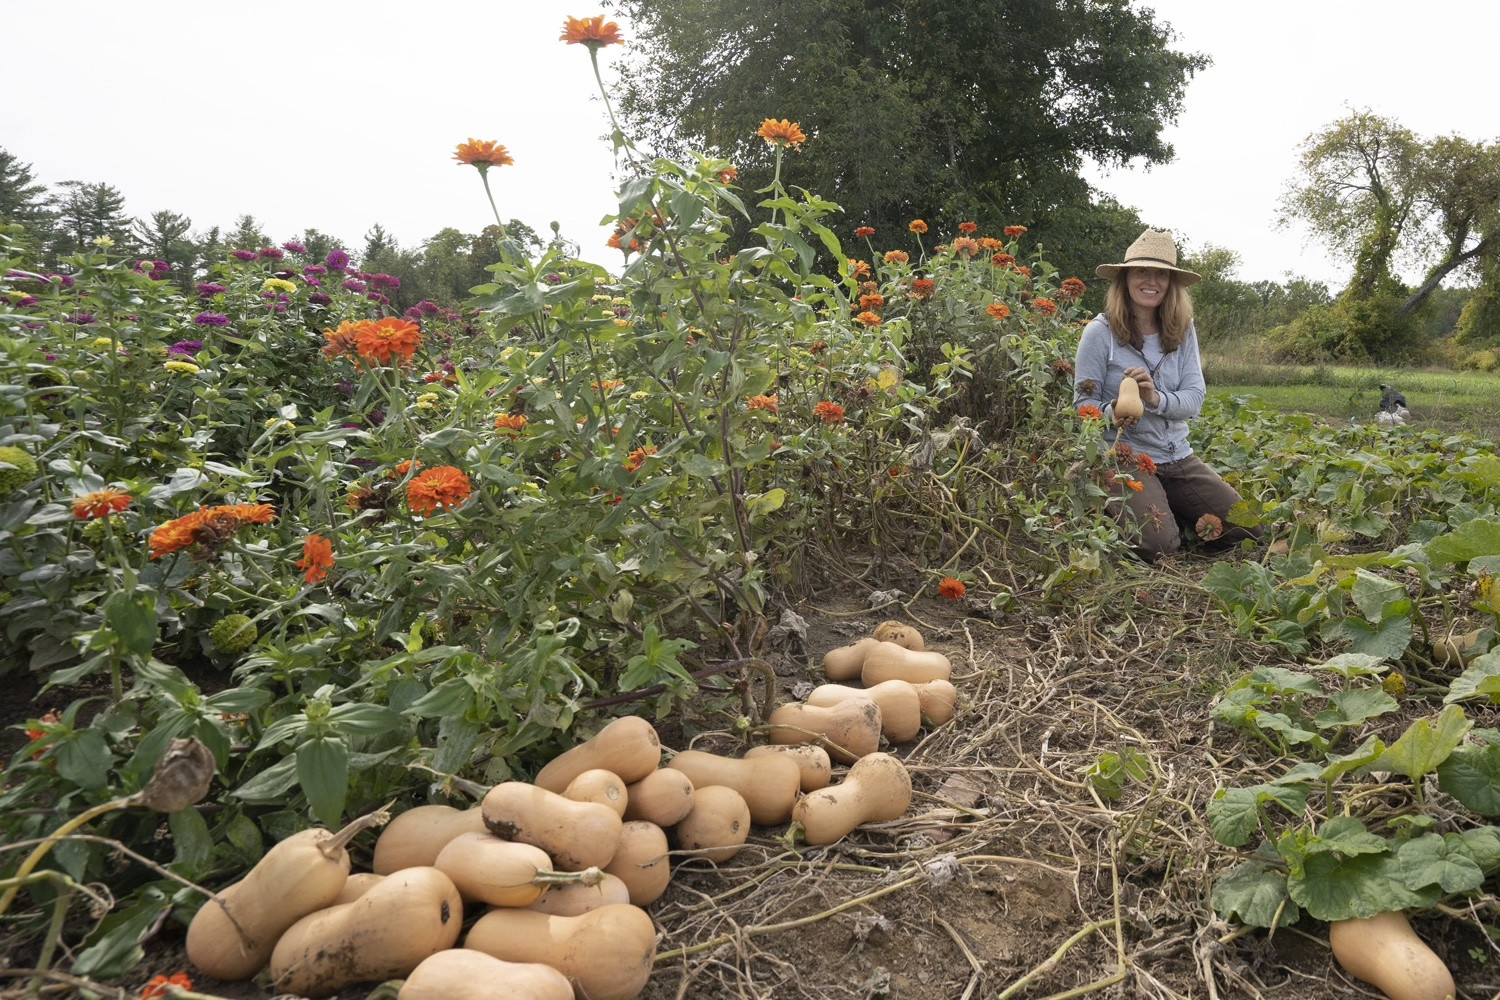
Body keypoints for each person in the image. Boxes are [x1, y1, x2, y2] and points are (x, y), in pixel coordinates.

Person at [1072, 229, 1260, 560]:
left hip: (1178, 458)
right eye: (1142, 271)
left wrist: (1156, 398)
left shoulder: (1183, 330)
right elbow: (1082, 404)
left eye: (1161, 274)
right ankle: (1110, 499)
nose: (1151, 281)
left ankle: (1166, 503)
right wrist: (1112, 410)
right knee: (1159, 548)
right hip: (1125, 456)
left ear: (1171, 283)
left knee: (1249, 530)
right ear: (1126, 278)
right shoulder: (1100, 334)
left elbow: (1194, 398)